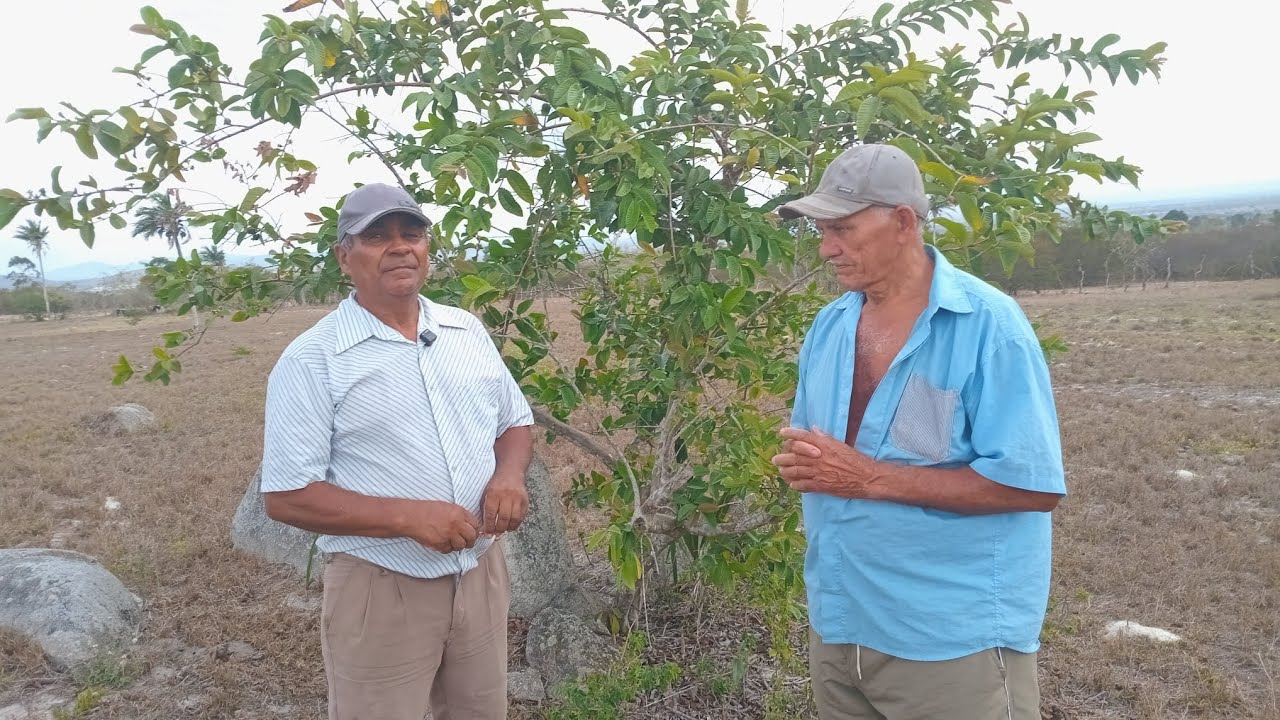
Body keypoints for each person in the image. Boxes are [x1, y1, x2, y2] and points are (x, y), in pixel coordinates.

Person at [770, 144, 1066, 720]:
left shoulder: (989, 327)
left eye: (843, 229)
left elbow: (1034, 488)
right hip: (840, 623)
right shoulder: (830, 326)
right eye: (821, 231)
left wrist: (870, 479)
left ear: (903, 222)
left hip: (950, 642)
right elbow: (821, 458)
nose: (827, 249)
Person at [259, 182, 534, 720]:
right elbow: (287, 495)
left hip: (479, 572)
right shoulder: (314, 359)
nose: (400, 246)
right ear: (345, 257)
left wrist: (510, 476)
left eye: (412, 234)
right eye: (377, 236)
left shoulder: (465, 331)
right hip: (381, 586)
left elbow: (515, 421)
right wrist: (408, 517)